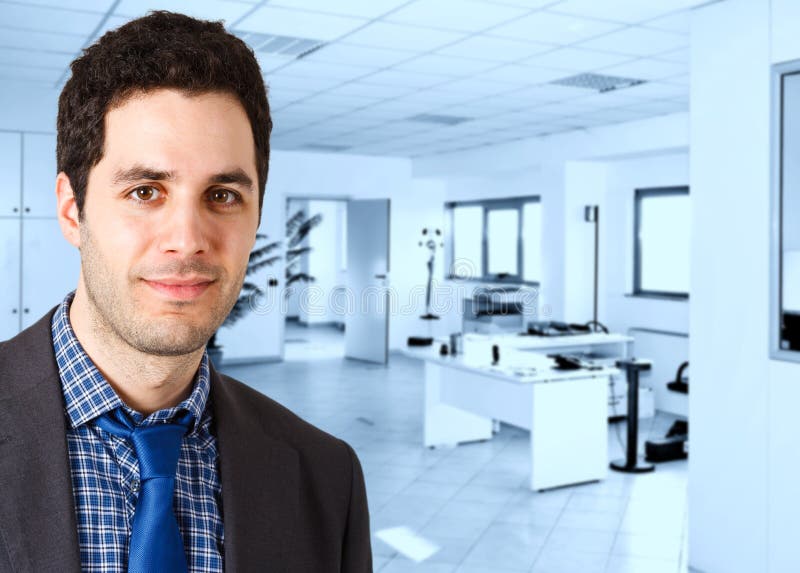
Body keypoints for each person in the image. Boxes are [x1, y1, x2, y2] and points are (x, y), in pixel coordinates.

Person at [0, 11, 371, 573]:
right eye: (146, 191)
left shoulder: (326, 476)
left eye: (222, 195)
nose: (188, 240)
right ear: (72, 209)